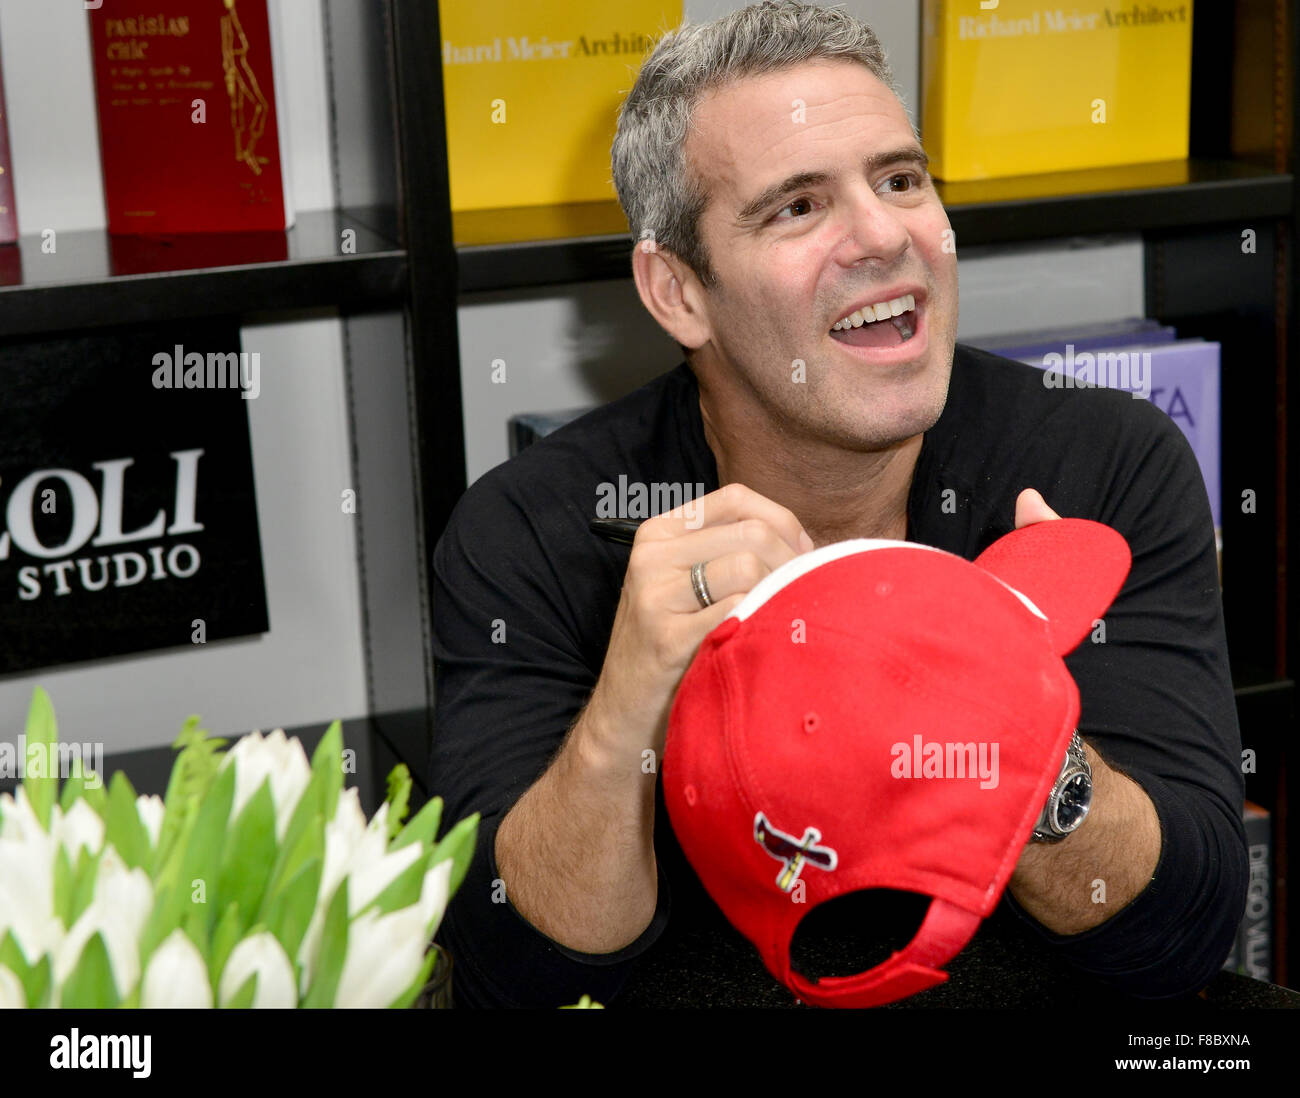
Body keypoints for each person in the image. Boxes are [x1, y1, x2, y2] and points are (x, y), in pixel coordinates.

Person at [429, 0, 1245, 1008]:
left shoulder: (1103, 463)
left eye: (901, 180)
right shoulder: (532, 530)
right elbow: (526, 970)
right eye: (796, 207)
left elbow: (1180, 937)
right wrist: (628, 705)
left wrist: (1013, 728)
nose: (882, 235)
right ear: (679, 292)